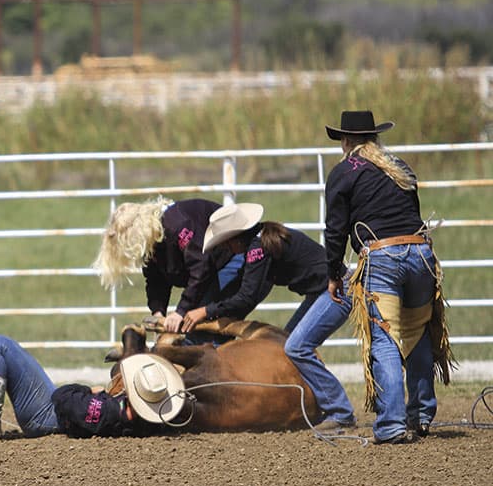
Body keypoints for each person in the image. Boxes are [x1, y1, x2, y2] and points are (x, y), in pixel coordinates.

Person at [324, 110, 452, 445]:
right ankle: (421, 414)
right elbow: (414, 211)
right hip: (420, 252)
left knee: (385, 338)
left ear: (346, 140)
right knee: (417, 330)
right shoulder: (400, 167)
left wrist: (334, 273)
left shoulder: (343, 173)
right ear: (375, 137)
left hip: (381, 257)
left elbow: (335, 230)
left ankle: (392, 424)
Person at [190, 202, 358, 432]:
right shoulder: (261, 243)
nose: (226, 249)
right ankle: (316, 404)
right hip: (325, 291)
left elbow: (248, 296)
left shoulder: (259, 249)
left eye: (226, 243)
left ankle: (340, 410)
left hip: (335, 291)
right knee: (285, 347)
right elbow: (245, 288)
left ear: (235, 239)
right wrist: (210, 309)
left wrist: (206, 311)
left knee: (295, 348)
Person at [0, 334, 185, 440]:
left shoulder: (105, 410)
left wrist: (90, 391)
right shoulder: (141, 423)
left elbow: (62, 399)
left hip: (44, 415)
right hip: (52, 413)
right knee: (8, 349)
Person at [92, 196, 244, 344]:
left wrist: (181, 312)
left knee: (201, 333)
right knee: (195, 329)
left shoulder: (177, 224)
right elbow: (156, 279)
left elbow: (201, 267)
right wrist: (158, 312)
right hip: (213, 267)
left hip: (232, 255)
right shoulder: (153, 238)